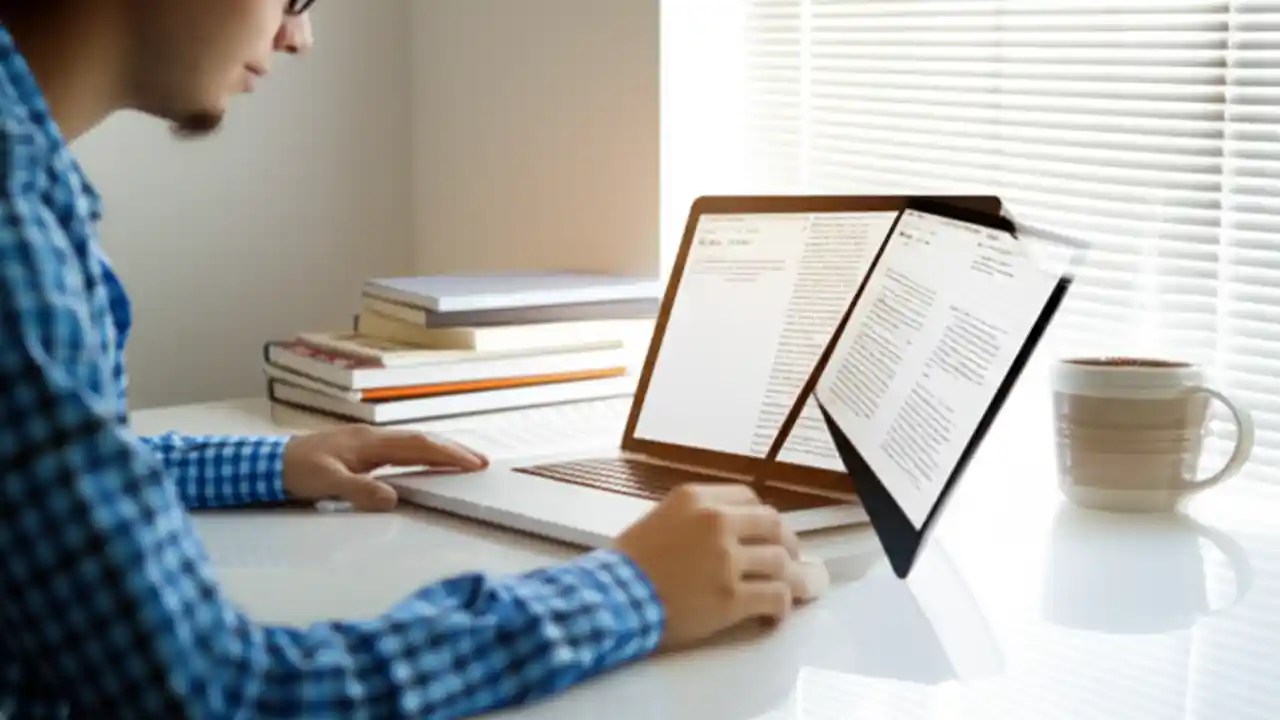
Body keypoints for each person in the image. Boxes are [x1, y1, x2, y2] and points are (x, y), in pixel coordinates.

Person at [0, 1, 828, 717]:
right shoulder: (14, 222)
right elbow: (216, 690)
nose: (301, 36)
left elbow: (38, 484)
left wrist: (277, 462)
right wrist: (630, 593)